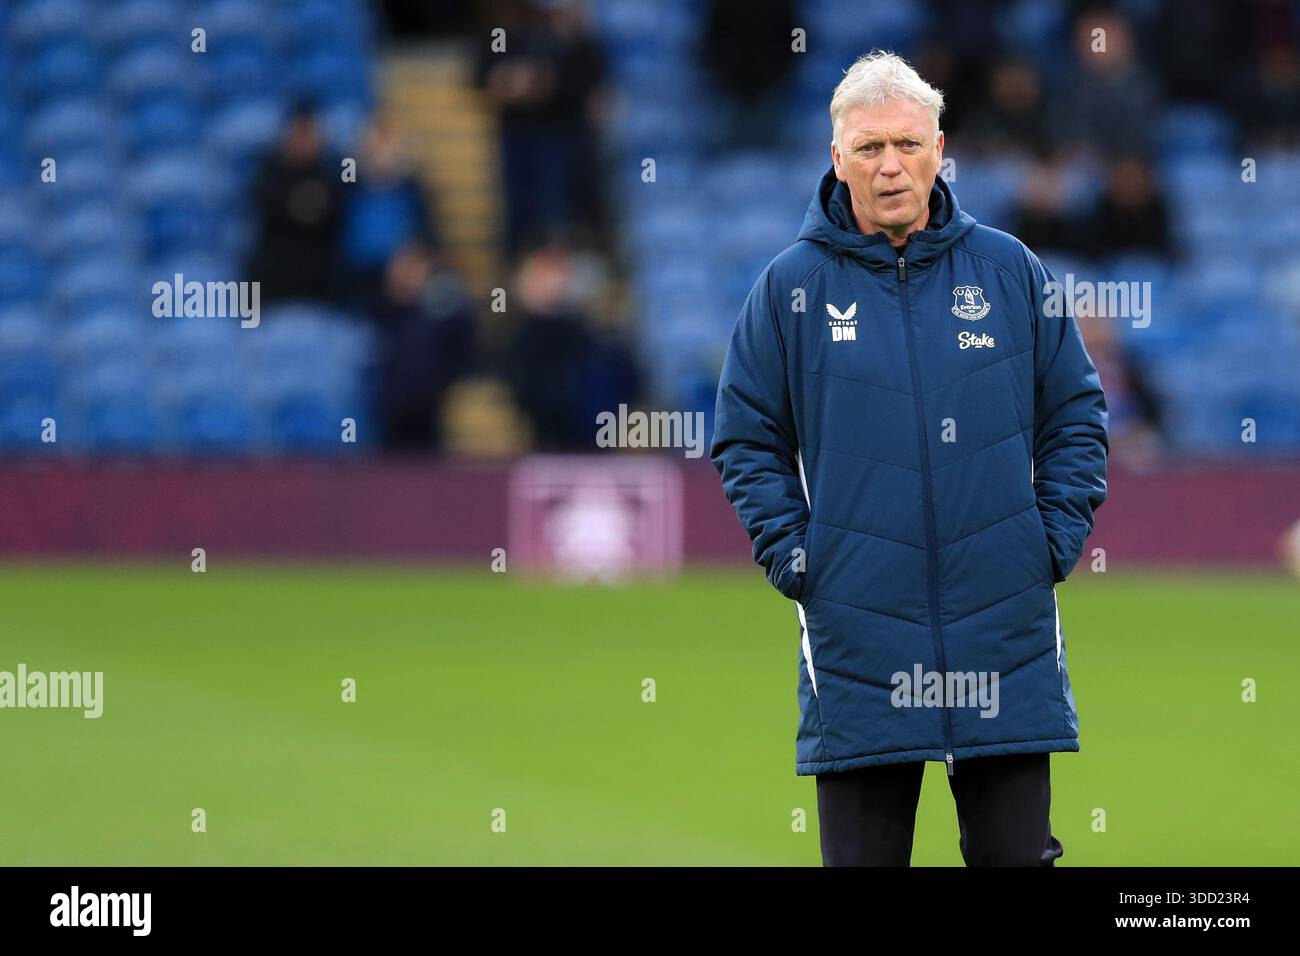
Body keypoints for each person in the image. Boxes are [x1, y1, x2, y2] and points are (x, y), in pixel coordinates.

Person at [710, 52, 1109, 866]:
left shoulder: (1008, 271)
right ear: (837, 160)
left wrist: (1049, 541)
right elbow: (745, 436)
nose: (890, 165)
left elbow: (1075, 412)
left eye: (907, 144)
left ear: (939, 150)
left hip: (1004, 627)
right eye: (868, 148)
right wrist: (797, 555)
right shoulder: (789, 288)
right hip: (859, 636)